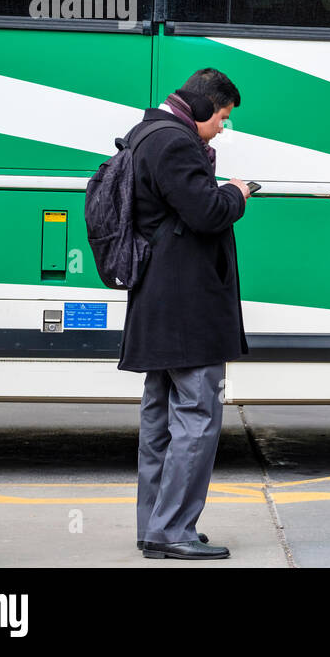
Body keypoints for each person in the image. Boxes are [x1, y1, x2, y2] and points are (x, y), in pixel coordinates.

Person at [121, 68, 252, 560]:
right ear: (201, 108)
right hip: (186, 309)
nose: (222, 127)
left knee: (159, 418)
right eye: (222, 117)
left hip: (159, 303)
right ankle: (172, 528)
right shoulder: (174, 144)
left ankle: (155, 524)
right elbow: (205, 212)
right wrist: (237, 193)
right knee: (197, 417)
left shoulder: (148, 133)